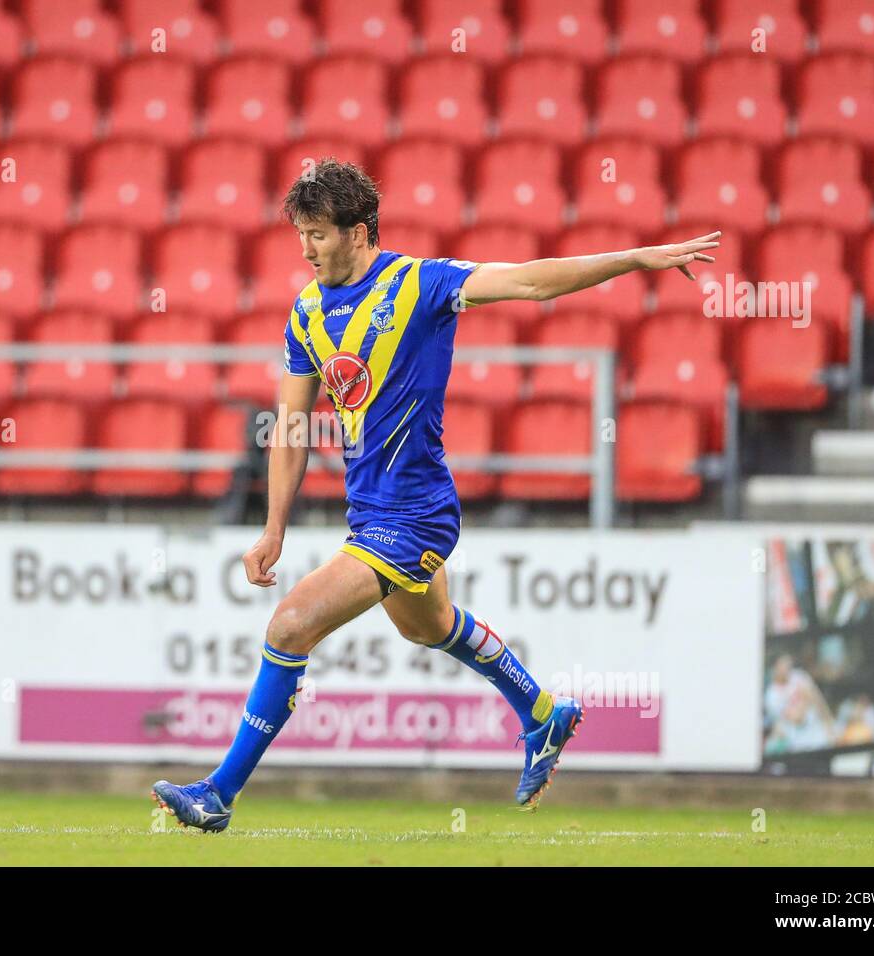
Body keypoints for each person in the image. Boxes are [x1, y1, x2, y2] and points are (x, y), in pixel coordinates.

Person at [153, 159, 721, 831]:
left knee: (290, 625)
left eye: (319, 235)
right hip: (369, 514)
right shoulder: (306, 314)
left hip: (417, 514)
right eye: (300, 235)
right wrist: (273, 527)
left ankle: (219, 793)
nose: (306, 250)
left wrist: (633, 258)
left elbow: (534, 282)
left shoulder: (420, 285)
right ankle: (543, 715)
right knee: (429, 627)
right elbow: (292, 427)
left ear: (360, 232)